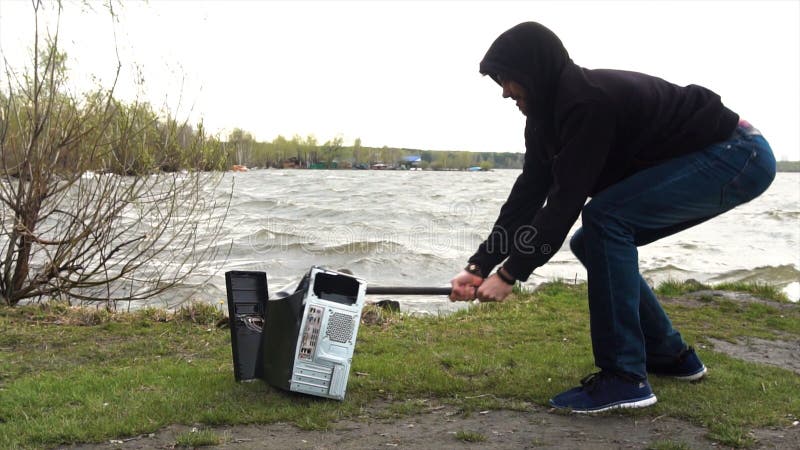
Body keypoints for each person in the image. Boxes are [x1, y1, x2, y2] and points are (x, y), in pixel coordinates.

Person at [449, 22, 776, 413]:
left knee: (604, 219)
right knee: (592, 239)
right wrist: (480, 265)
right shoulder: (543, 119)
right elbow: (527, 197)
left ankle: (624, 377)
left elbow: (565, 203)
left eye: (508, 79)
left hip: (738, 154)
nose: (504, 91)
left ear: (534, 71)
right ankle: (671, 356)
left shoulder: (587, 102)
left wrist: (509, 274)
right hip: (729, 155)